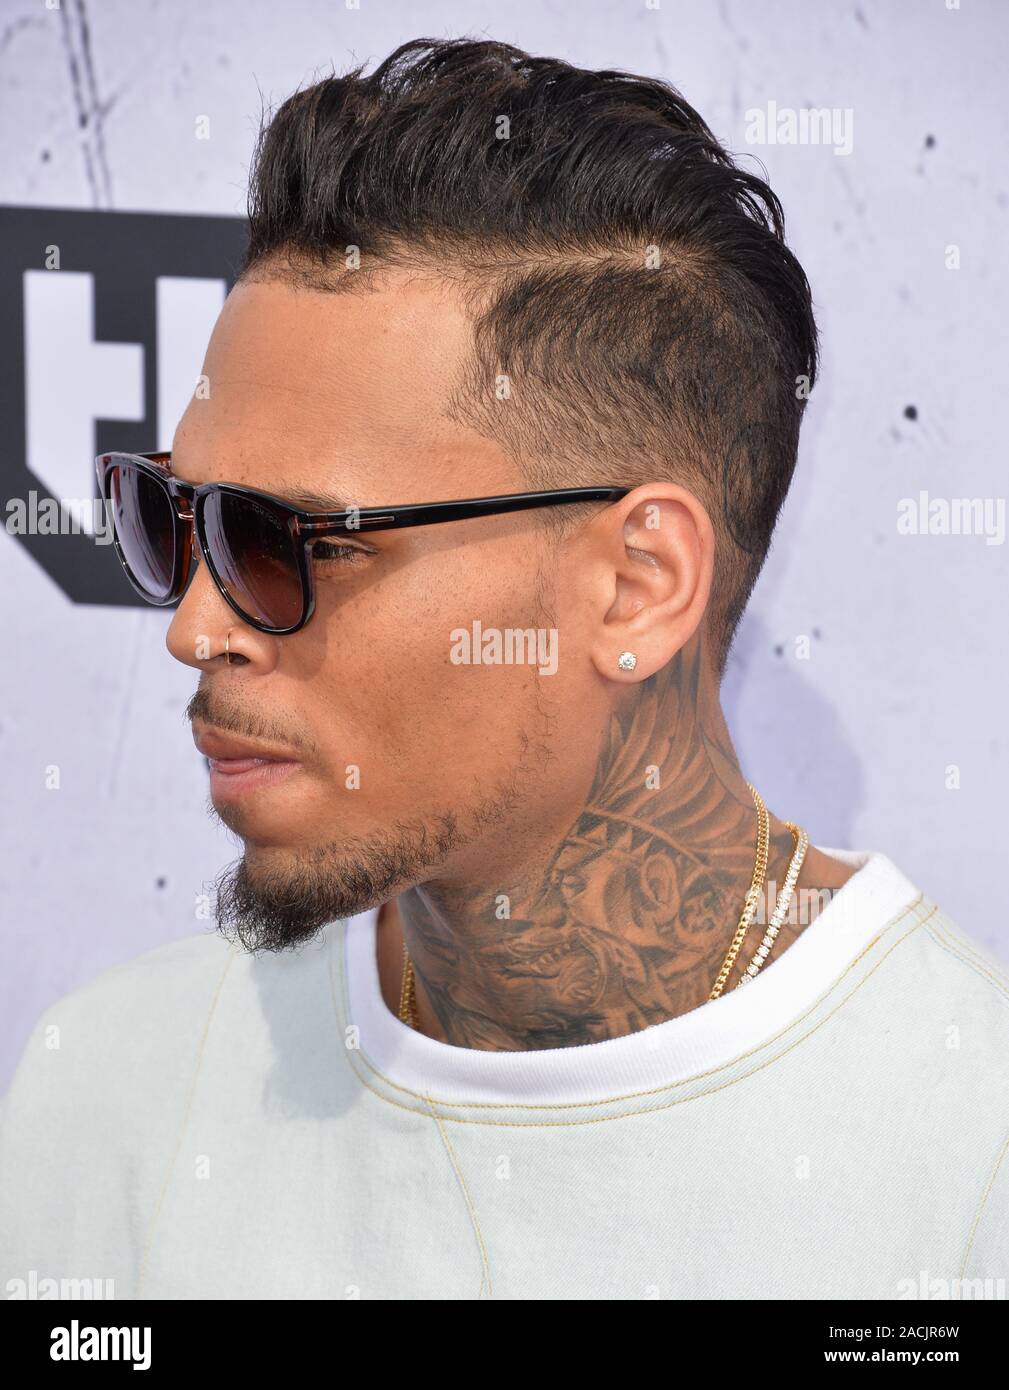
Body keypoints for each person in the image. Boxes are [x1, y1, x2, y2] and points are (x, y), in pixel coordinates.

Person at [3, 37, 1007, 1301]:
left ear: (636, 584)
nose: (195, 629)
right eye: (171, 516)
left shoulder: (966, 1161)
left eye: (287, 539)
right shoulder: (110, 1096)